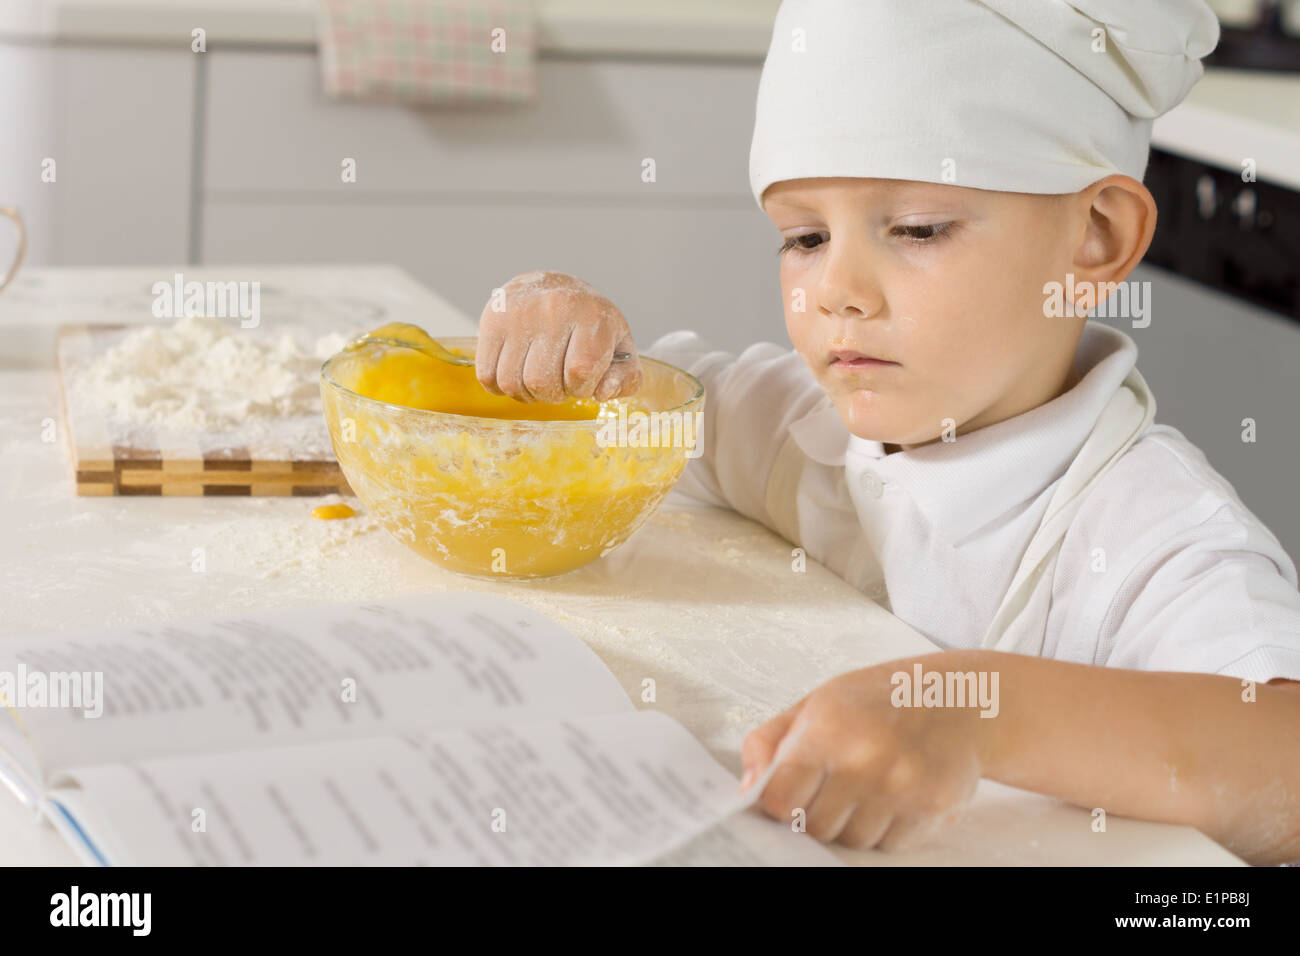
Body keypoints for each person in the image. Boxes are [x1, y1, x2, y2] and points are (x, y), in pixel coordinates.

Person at [471, 0, 1300, 865]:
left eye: (915, 229)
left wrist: (970, 711)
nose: (839, 291)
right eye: (804, 236)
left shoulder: (1149, 532)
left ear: (1095, 237)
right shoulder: (796, 425)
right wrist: (556, 323)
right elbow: (628, 404)